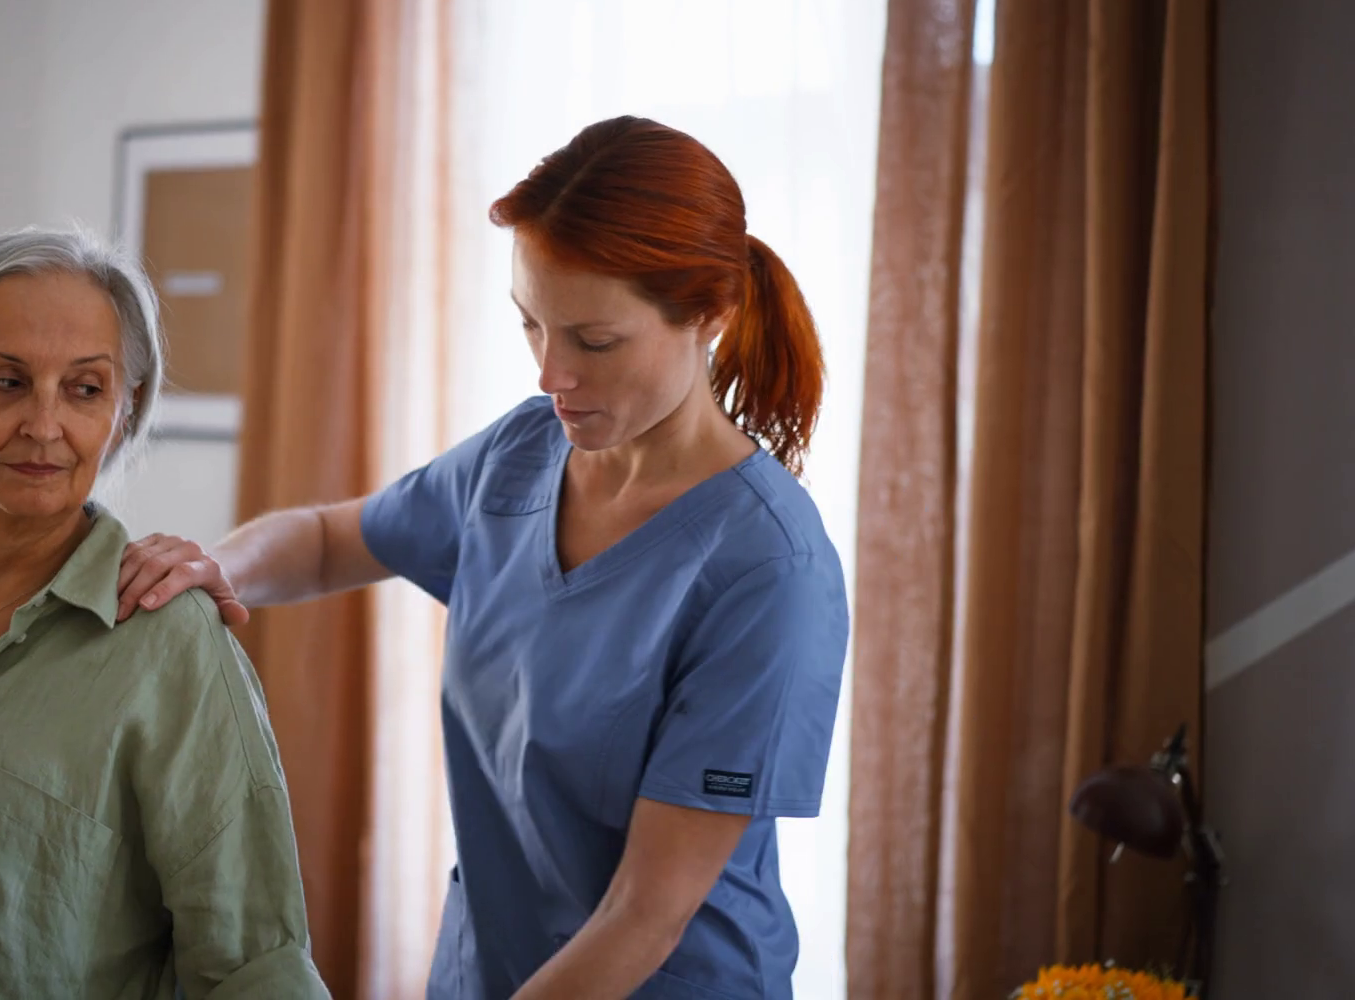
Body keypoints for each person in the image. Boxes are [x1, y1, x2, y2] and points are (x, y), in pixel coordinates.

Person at [119, 116, 850, 999]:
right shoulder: (520, 459)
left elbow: (646, 915)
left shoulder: (770, 571)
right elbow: (323, 543)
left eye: (594, 341)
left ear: (708, 316)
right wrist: (215, 569)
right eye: (531, 326)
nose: (552, 374)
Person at [0, 228, 330, 1000]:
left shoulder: (168, 639)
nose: (45, 425)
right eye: (7, 382)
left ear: (121, 414)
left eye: (84, 389)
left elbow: (255, 968)